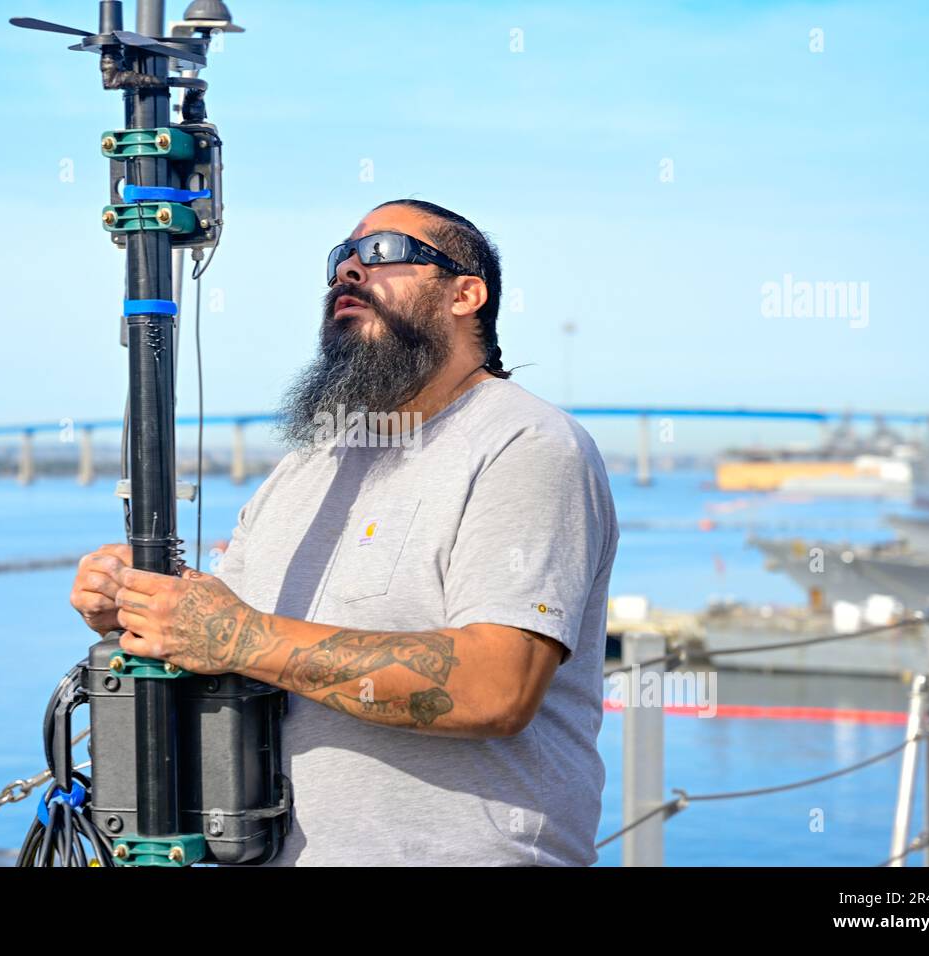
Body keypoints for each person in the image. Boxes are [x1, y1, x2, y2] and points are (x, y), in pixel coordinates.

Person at [69, 198, 620, 865]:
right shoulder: (312, 463)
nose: (349, 272)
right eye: (341, 260)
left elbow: (496, 687)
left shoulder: (526, 444)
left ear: (465, 294)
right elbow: (223, 633)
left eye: (384, 252)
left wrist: (235, 635)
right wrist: (144, 603)